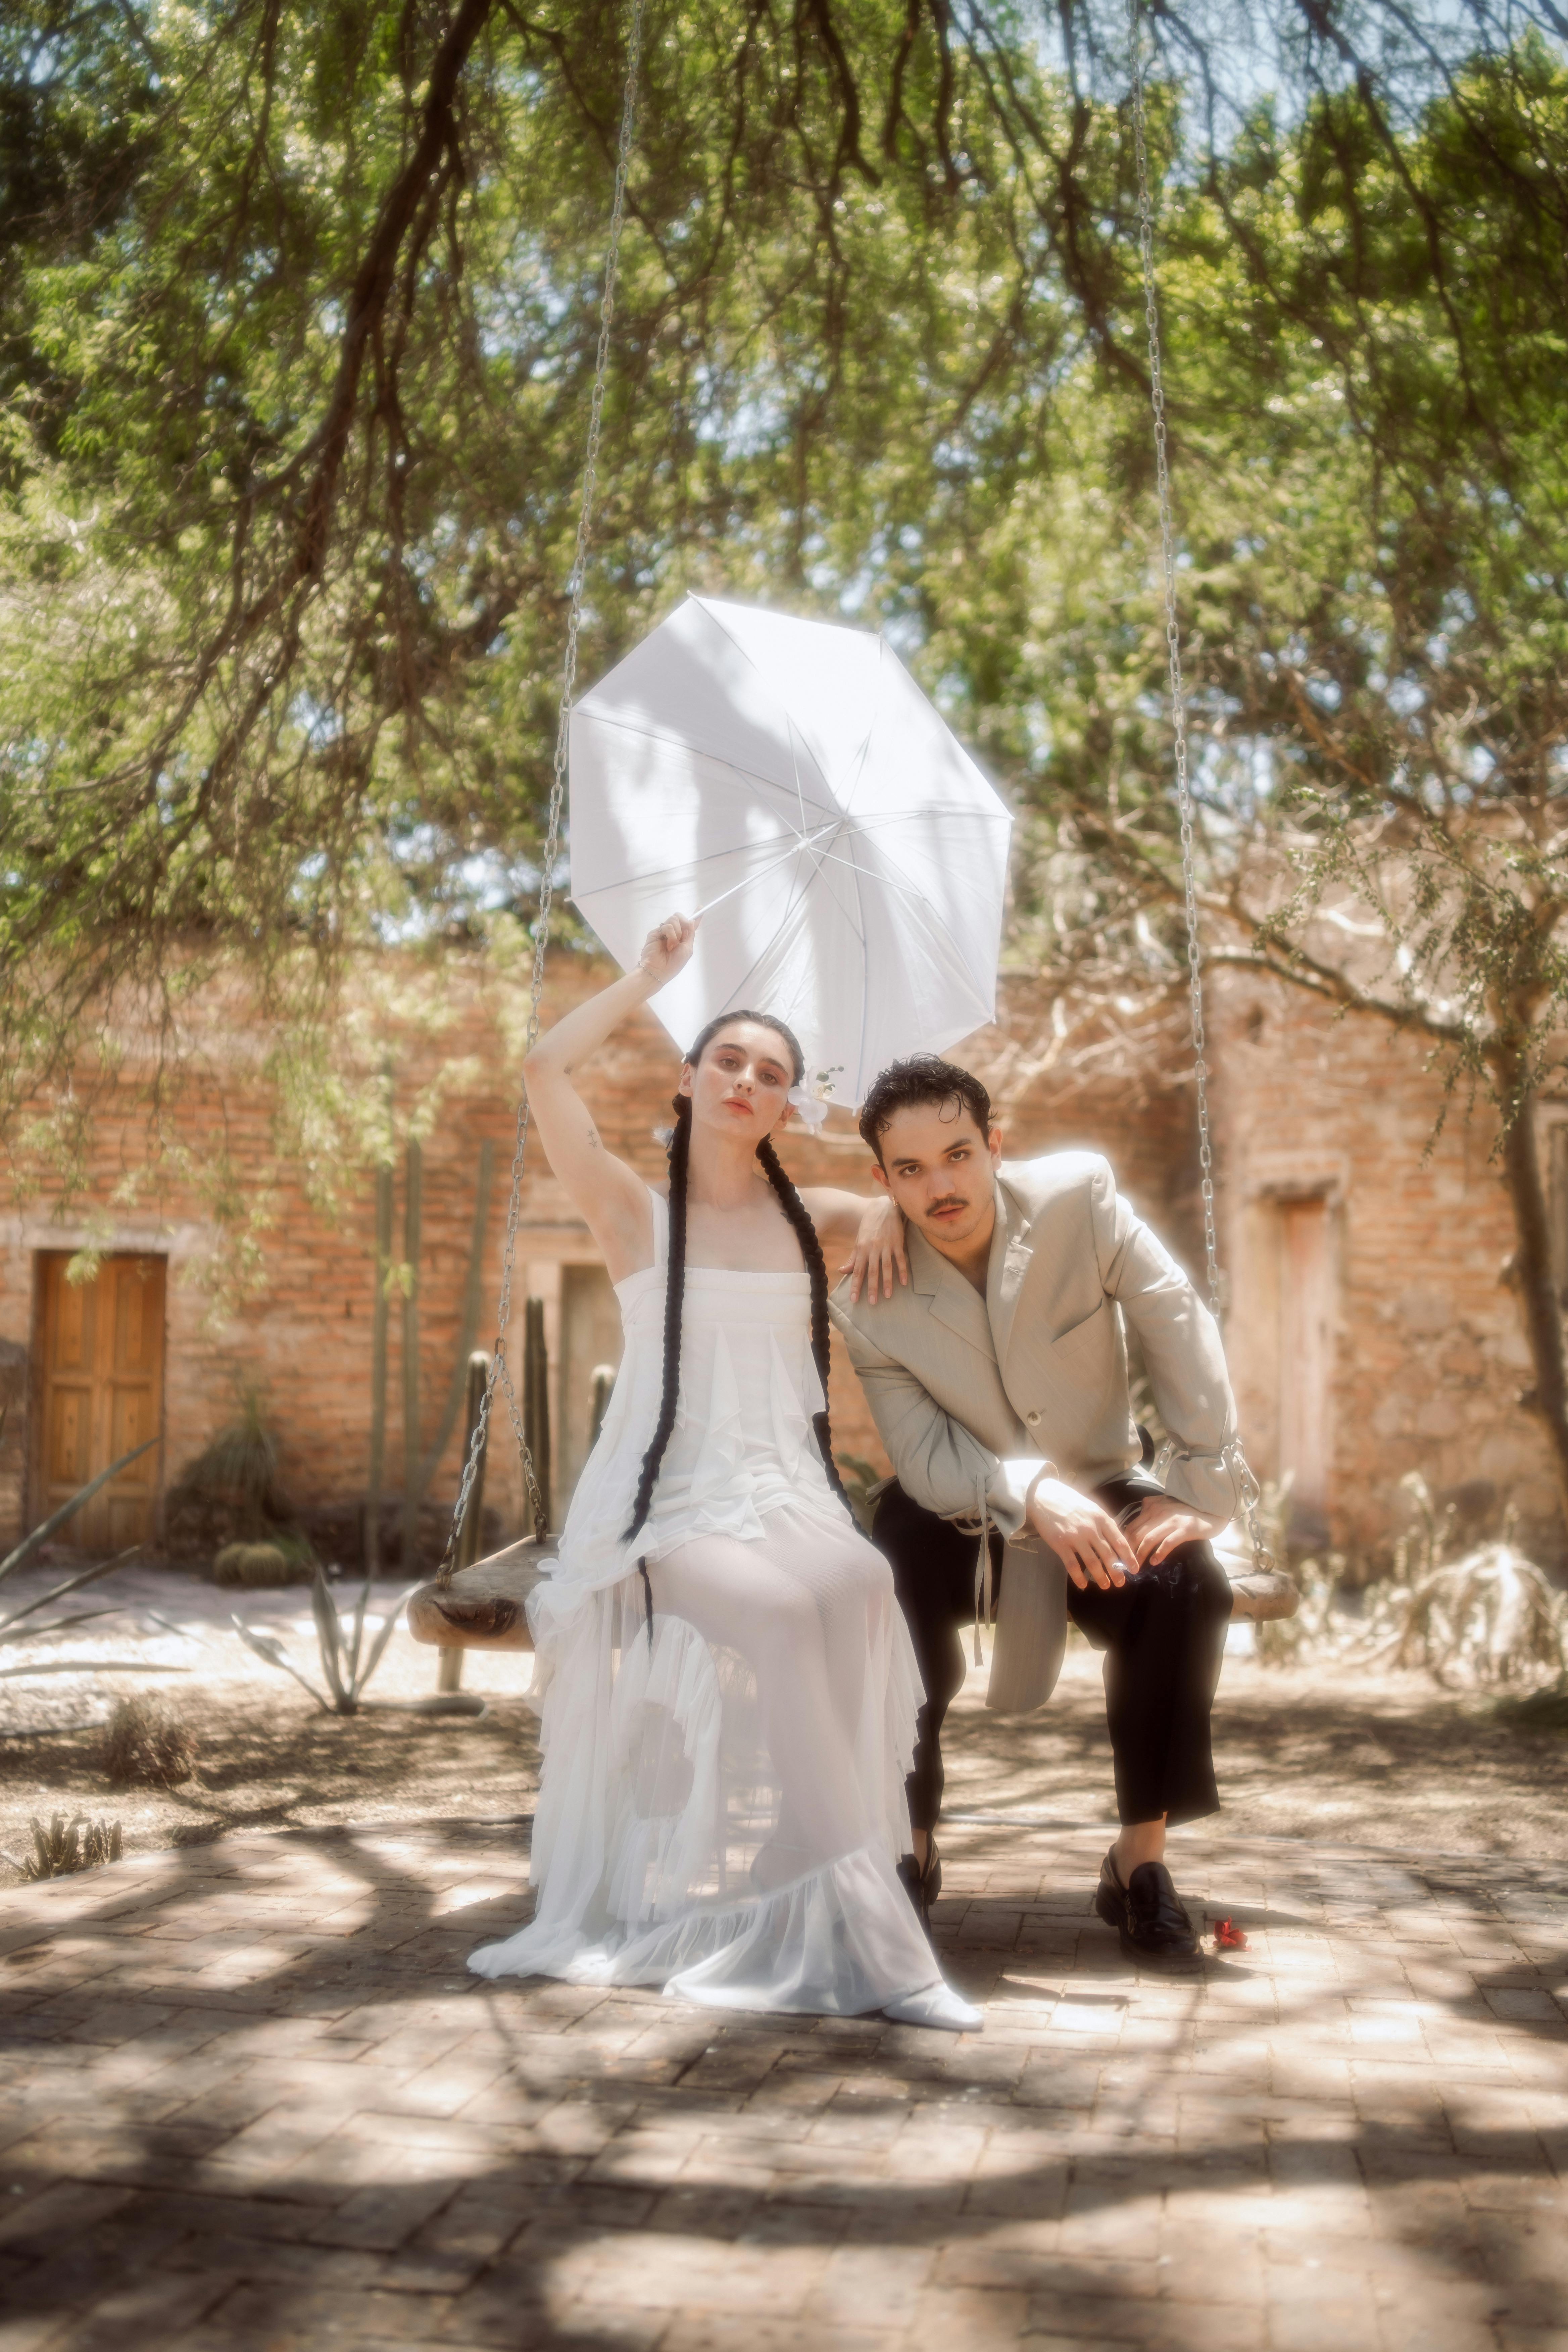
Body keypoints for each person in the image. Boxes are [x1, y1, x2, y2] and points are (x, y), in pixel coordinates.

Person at [470, 919, 981, 2031]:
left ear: (788, 1108)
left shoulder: (808, 1220)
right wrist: (647, 978)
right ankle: (883, 1941)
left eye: (773, 1074)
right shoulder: (634, 1214)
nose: (748, 1080)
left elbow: (911, 1201)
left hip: (782, 1490)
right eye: (729, 1061)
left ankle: (797, 1848)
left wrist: (883, 1206)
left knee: (863, 1583)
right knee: (785, 1616)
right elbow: (543, 1068)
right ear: (689, 1080)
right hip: (668, 1505)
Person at [830, 1054, 1240, 1967]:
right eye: (911, 1170)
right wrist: (1030, 1492)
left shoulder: (1078, 1200)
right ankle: (912, 1854)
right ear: (883, 1181)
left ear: (994, 1144)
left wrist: (1204, 1482)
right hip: (962, 1502)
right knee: (889, 1578)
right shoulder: (865, 1303)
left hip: (1100, 1477)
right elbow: (924, 1459)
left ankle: (1139, 1865)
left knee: (1188, 1587)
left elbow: (1174, 1315)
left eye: (958, 1155)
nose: (941, 1186)